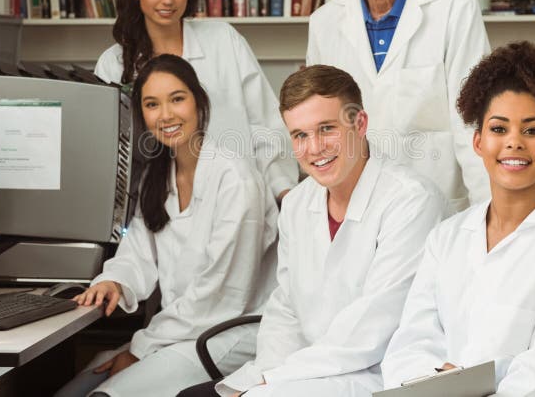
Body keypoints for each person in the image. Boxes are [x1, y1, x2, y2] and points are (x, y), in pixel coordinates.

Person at [178, 64, 447, 397]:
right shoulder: (296, 205)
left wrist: (278, 379)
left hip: (373, 374)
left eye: (326, 129)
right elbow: (285, 309)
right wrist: (268, 373)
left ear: (360, 124)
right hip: (303, 371)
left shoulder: (410, 200)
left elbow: (373, 325)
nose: (314, 148)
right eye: (300, 135)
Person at [380, 42, 535, 396]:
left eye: (532, 130)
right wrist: (435, 383)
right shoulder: (447, 238)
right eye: (499, 129)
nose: (514, 143)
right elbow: (410, 343)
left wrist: (457, 386)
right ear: (478, 141)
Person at [55, 54, 279, 397]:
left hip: (227, 332)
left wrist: (140, 349)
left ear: (198, 102)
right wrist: (115, 281)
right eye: (152, 104)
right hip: (178, 331)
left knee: (102, 396)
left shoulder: (235, 180)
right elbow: (138, 254)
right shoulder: (158, 177)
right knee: (72, 391)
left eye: (177, 99)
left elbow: (219, 296)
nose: (167, 115)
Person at [307, 0, 490, 212]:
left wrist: (488, 219)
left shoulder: (454, 7)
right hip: (359, 212)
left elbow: (475, 124)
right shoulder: (324, 24)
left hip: (441, 214)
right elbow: (318, 131)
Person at [94, 0, 297, 202]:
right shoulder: (113, 64)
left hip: (238, 202)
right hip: (155, 210)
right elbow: (108, 153)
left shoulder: (224, 40)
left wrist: (284, 192)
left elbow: (265, 126)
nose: (168, 0)